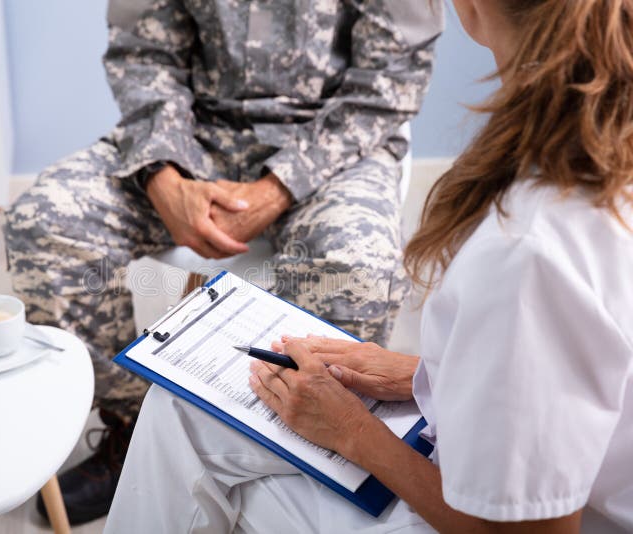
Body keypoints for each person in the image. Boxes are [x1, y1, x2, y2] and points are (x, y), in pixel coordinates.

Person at [105, 0, 633, 532]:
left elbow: (525, 531)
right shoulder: (593, 172)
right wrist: (423, 374)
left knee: (182, 418)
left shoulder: (526, 249)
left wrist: (354, 432)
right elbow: (585, 373)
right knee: (187, 408)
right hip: (572, 477)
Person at [3, 0, 444, 524]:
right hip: (193, 133)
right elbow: (143, 55)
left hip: (330, 144)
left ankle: (308, 455)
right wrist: (163, 176)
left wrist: (278, 187)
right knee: (43, 224)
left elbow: (389, 79)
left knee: (353, 267)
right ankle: (133, 427)